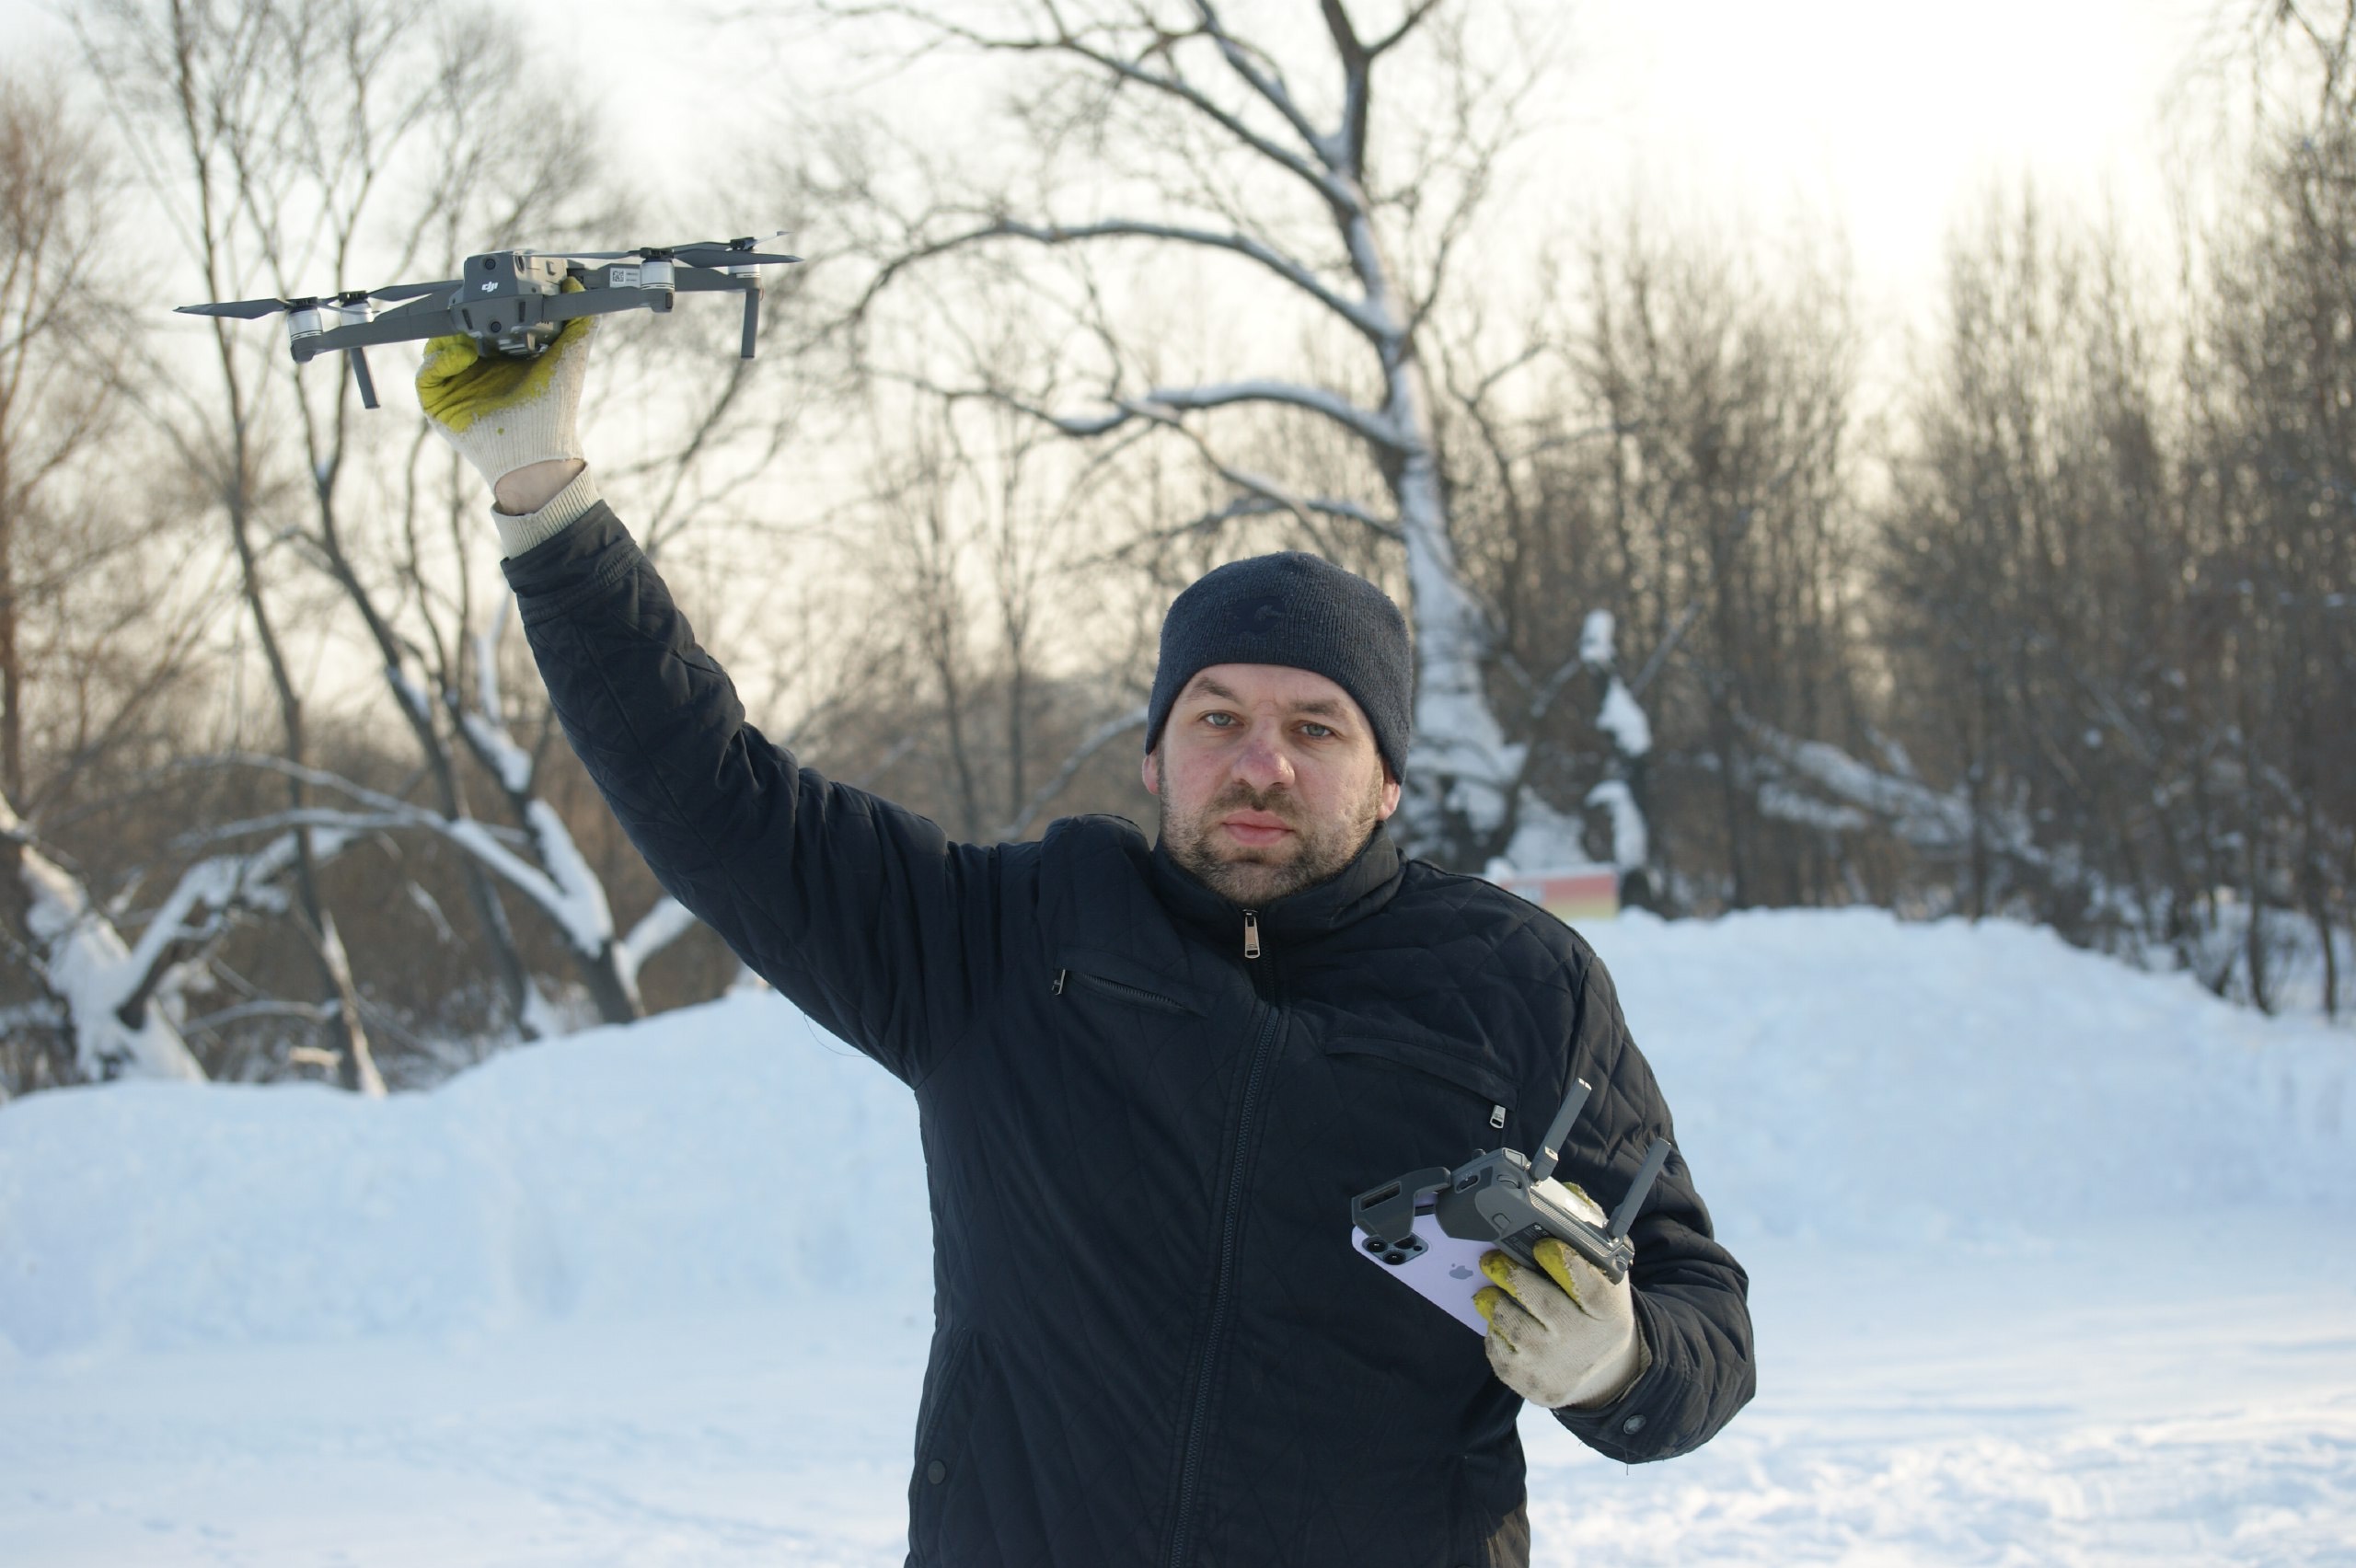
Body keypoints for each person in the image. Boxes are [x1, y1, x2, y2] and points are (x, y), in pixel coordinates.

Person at [418, 312, 1753, 1568]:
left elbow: (1708, 1324)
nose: (1264, 764)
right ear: (1157, 754)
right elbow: (715, 797)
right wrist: (545, 498)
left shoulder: (1517, 984)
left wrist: (1619, 1360)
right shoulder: (999, 943)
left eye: (1317, 728)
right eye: (1218, 719)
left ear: (1389, 777)